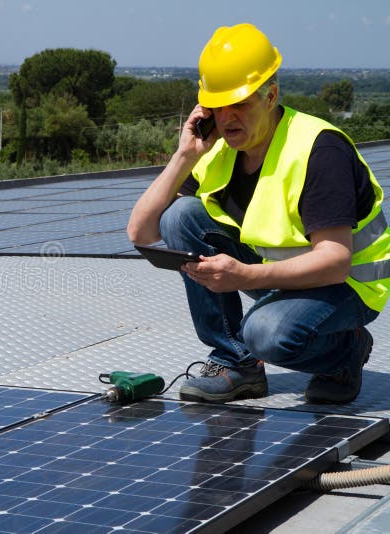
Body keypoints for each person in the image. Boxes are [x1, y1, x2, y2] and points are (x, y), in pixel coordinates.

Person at [127, 23, 390, 404]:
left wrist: (244, 275)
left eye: (240, 104)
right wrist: (184, 155)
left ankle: (344, 353)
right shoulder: (218, 150)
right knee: (179, 216)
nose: (227, 118)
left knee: (265, 333)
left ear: (271, 96)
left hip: (348, 286)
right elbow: (142, 232)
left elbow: (334, 262)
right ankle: (237, 363)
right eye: (218, 107)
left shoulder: (318, 149)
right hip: (286, 273)